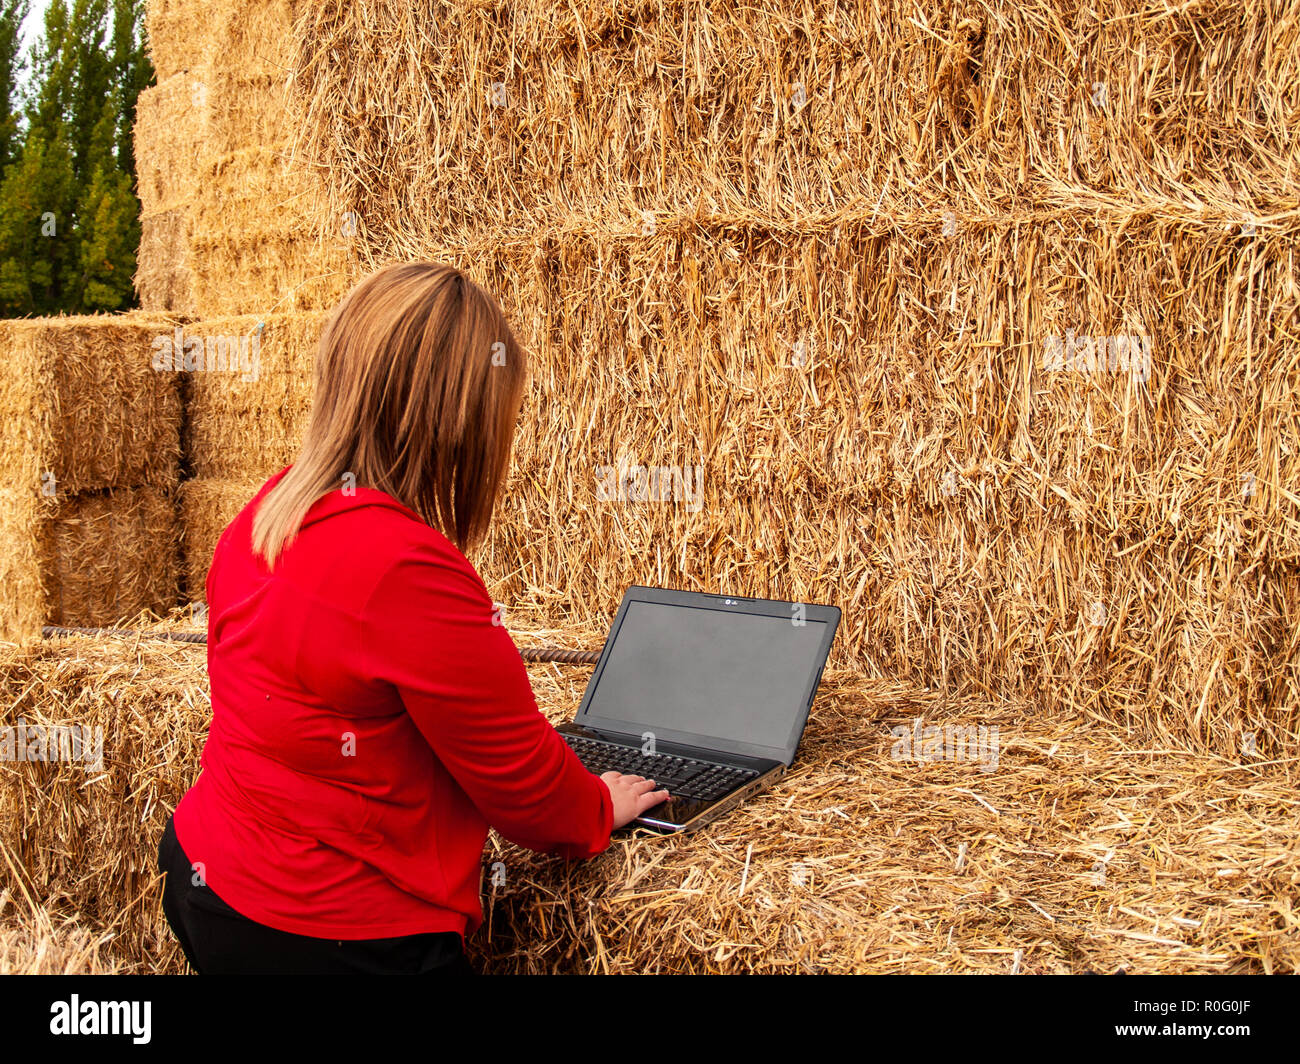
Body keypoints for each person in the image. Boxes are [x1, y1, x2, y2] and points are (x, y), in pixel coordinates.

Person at [157, 262, 669, 974]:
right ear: (457, 420)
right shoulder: (405, 570)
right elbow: (524, 792)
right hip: (334, 933)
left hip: (207, 875)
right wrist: (595, 806)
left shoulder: (270, 510)